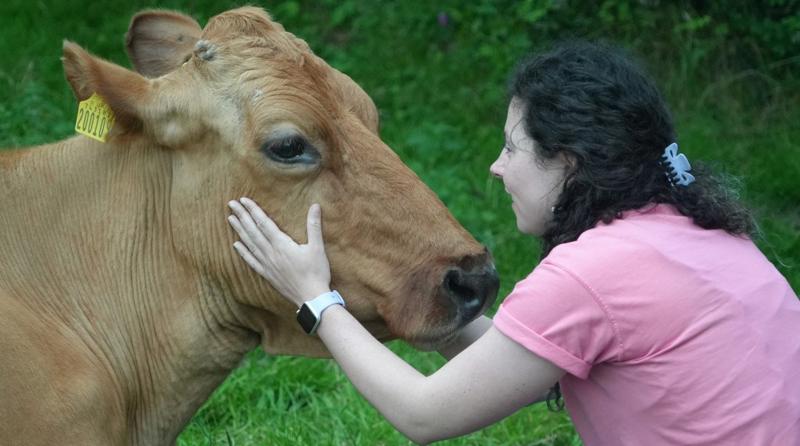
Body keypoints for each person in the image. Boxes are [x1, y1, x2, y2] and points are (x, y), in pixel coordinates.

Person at [226, 41, 800, 445]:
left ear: (568, 162)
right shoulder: (706, 233)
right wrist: (421, 296)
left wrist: (315, 298)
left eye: (511, 147)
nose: (496, 167)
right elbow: (517, 367)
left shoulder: (590, 275)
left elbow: (423, 415)